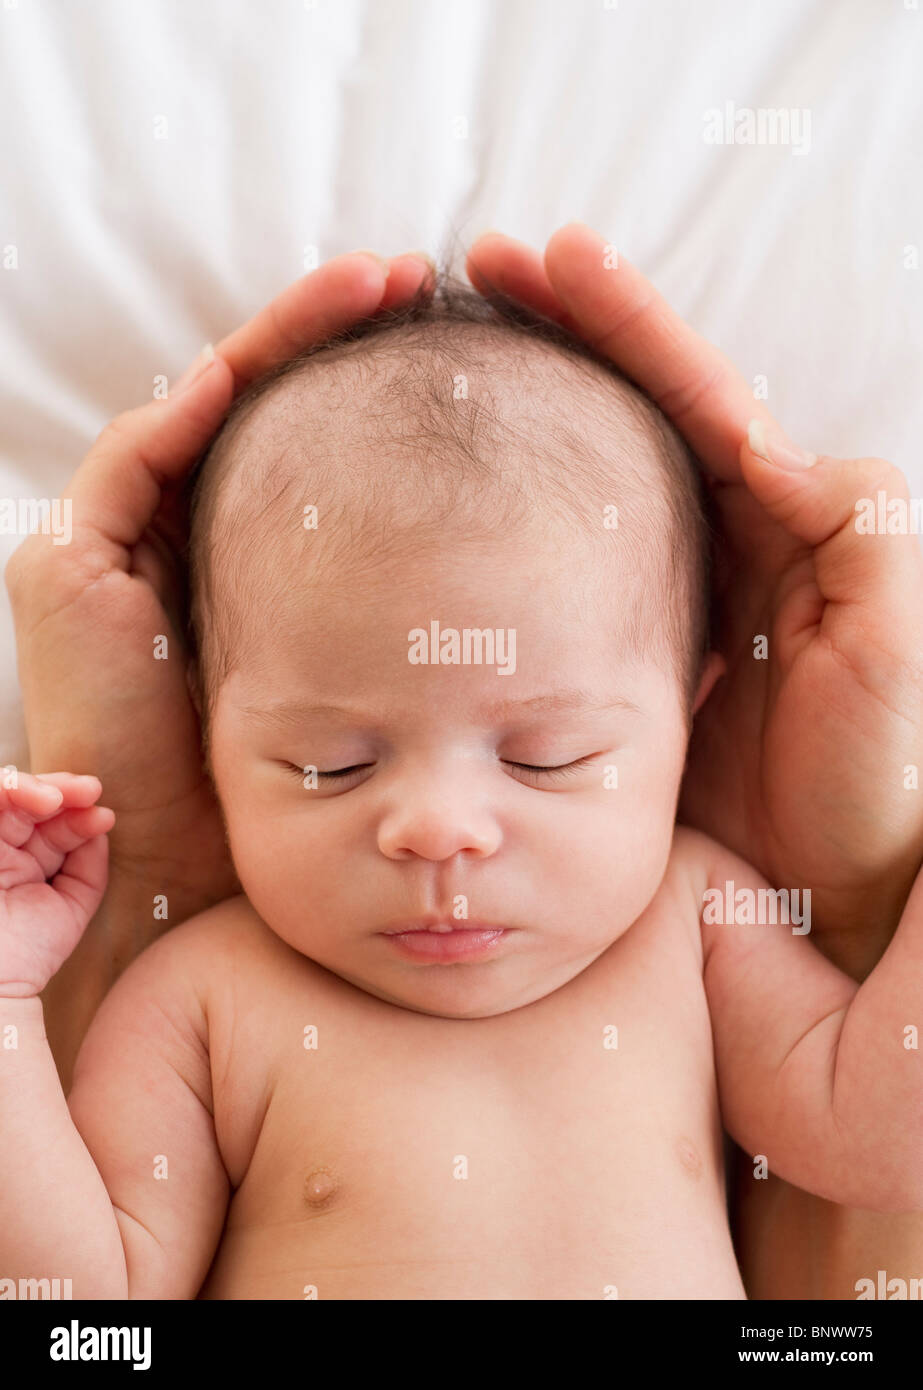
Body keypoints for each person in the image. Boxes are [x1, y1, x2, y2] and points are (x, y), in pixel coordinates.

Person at [2, 236, 922, 1297]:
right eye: (329, 765)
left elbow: (877, 1134)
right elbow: (80, 1311)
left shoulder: (696, 923)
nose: (439, 830)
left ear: (689, 716)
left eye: (547, 756)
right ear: (204, 733)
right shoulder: (199, 998)